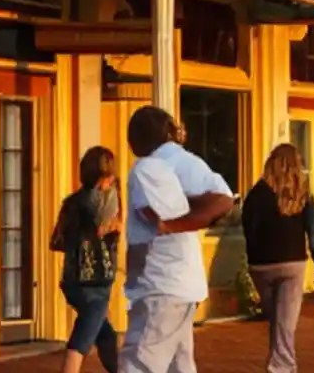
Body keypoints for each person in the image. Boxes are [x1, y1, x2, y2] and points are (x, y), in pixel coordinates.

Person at [121, 106, 236, 373]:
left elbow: (152, 214)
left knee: (139, 362)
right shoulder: (187, 162)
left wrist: (172, 224)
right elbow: (223, 198)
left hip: (160, 283)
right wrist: (188, 217)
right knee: (178, 364)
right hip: (185, 282)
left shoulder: (146, 169)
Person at [242, 143, 314, 373]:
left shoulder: (257, 193)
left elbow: (248, 226)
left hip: (260, 265)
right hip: (292, 262)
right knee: (285, 323)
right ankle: (281, 366)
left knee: (278, 321)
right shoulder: (302, 193)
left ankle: (282, 363)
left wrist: (252, 255)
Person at [55, 146, 122, 373]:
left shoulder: (72, 202)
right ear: (104, 176)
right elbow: (107, 229)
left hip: (72, 280)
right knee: (81, 340)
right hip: (95, 280)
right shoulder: (103, 202)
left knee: (106, 334)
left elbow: (61, 240)